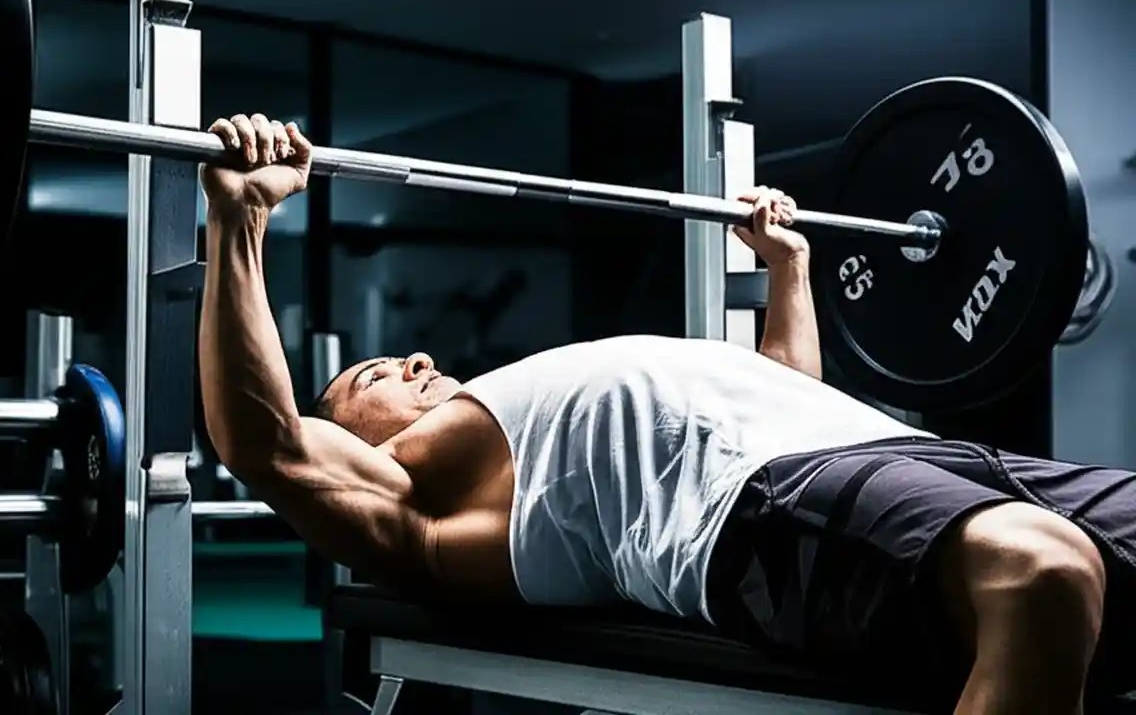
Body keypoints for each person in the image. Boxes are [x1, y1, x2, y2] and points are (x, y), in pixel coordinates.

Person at [197, 113, 1135, 714]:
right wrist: (238, 219)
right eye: (374, 378)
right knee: (1039, 571)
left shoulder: (512, 409)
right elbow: (264, 441)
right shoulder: (422, 504)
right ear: (349, 444)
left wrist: (788, 269)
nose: (416, 358)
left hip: (880, 448)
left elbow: (789, 393)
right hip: (749, 507)